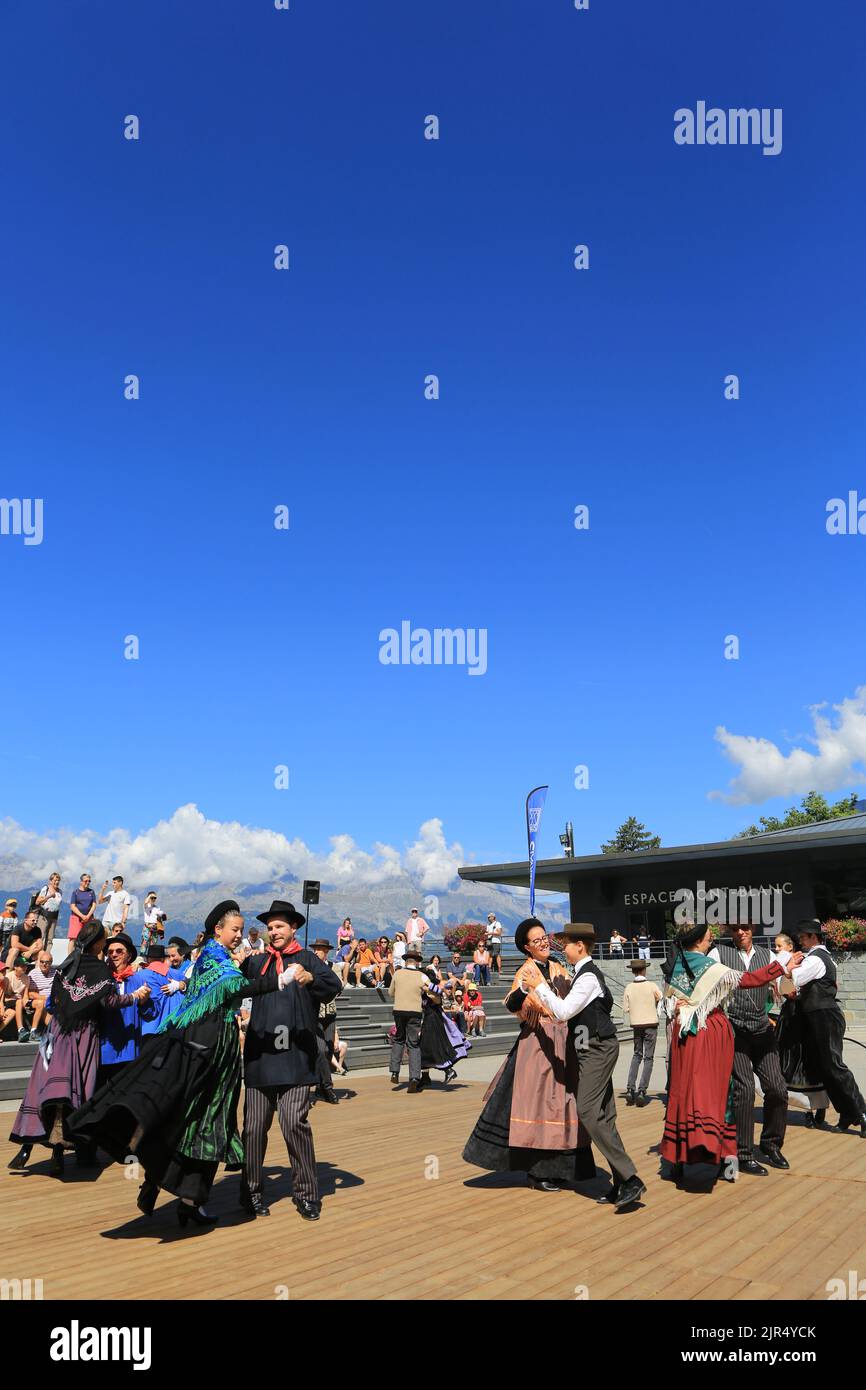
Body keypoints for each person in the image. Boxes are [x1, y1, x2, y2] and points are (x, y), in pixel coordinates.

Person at [68, 900, 293, 1227]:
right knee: (206, 1121)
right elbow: (236, 986)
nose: (239, 936)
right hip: (209, 1047)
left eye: (242, 931)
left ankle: (180, 1194)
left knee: (199, 1119)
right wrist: (282, 979)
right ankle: (181, 1193)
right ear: (218, 929)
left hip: (215, 1047)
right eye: (235, 930)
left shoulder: (216, 957)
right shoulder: (216, 957)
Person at [463, 918, 595, 1192]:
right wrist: (524, 989)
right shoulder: (526, 971)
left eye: (544, 937)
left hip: (563, 1042)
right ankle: (538, 1172)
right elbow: (512, 1003)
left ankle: (563, 1168)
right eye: (536, 940)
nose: (543, 942)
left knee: (563, 1105)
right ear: (526, 947)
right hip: (538, 1044)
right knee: (539, 1105)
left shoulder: (559, 968)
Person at [660, 922, 796, 1187]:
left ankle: (680, 1155)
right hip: (709, 1030)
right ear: (699, 940)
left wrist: (785, 976)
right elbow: (747, 980)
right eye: (710, 936)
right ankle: (726, 1157)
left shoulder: (680, 964)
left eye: (743, 927)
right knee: (721, 1093)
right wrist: (782, 964)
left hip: (686, 1031)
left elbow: (669, 1002)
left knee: (684, 1090)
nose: (714, 938)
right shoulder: (710, 962)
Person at [8, 920, 149, 1174]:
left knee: (43, 1089)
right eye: (106, 943)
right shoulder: (100, 970)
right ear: (98, 943)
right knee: (70, 1095)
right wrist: (134, 997)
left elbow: (53, 1003)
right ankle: (61, 1154)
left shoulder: (67, 965)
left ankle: (27, 1148)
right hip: (81, 1035)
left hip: (55, 1035)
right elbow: (108, 1001)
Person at [521, 923, 645, 1211]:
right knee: (605, 1115)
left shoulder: (588, 977)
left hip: (597, 1049)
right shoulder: (581, 975)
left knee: (587, 1111)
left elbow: (563, 1013)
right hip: (592, 1049)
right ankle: (622, 1182)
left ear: (580, 946)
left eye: (566, 944)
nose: (562, 949)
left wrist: (539, 987)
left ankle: (630, 1178)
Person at [240, 902, 341, 1219]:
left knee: (294, 1124)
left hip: (297, 1059)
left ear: (293, 928)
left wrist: (311, 978)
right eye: (270, 928)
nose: (274, 932)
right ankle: (251, 1192)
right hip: (260, 1057)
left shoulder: (308, 958)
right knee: (254, 1129)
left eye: (279, 926)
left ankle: (307, 1193)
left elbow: (334, 986)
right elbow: (229, 979)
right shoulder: (258, 963)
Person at [709, 922, 790, 1174]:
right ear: (729, 932)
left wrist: (788, 985)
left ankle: (771, 1144)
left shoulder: (768, 955)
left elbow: (781, 987)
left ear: (752, 928)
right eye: (734, 929)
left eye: (744, 927)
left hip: (763, 1029)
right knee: (744, 1090)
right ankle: (743, 1154)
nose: (740, 932)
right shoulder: (718, 954)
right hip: (735, 1031)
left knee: (777, 1087)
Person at [789, 920, 866, 1137]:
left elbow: (796, 976)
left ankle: (861, 1112)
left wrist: (788, 964)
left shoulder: (815, 958)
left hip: (825, 1015)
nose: (800, 940)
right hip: (818, 1016)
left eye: (803, 937)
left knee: (833, 1065)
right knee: (824, 1067)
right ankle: (847, 1112)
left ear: (813, 937)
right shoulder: (822, 957)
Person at [98, 933, 142, 1083]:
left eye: (119, 951)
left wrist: (145, 1002)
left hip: (129, 1047)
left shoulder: (139, 980)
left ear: (129, 956)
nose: (114, 955)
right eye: (110, 952)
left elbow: (151, 1012)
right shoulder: (101, 979)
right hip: (104, 1047)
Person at [388, 945, 429, 1092]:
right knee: (413, 1044)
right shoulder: (422, 976)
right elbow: (430, 990)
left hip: (399, 1011)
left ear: (406, 961)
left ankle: (394, 1071)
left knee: (399, 1039)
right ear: (417, 962)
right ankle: (414, 1078)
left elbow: (390, 993)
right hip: (414, 1012)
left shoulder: (398, 974)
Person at [622, 960, 662, 1107]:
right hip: (651, 1023)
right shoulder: (652, 986)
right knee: (649, 1058)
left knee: (636, 1055)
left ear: (633, 971)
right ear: (644, 970)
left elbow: (626, 1008)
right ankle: (642, 1090)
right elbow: (661, 998)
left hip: (636, 1024)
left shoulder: (629, 987)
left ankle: (629, 1088)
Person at [419, 972, 470, 1086]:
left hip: (434, 1022)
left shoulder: (434, 991)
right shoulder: (424, 993)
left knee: (434, 1048)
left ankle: (448, 1070)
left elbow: (437, 998)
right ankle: (425, 1077)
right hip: (428, 1021)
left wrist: (426, 986)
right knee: (424, 1049)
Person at [310, 938, 341, 1106]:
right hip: (315, 1014)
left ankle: (320, 1088)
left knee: (328, 1052)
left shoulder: (333, 967)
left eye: (319, 949)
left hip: (330, 1014)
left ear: (326, 951)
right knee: (320, 1050)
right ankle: (328, 1087)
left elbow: (338, 987)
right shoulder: (310, 967)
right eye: (315, 949)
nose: (316, 952)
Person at [24, 949, 56, 1040]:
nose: (44, 964)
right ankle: (36, 1031)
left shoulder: (55, 973)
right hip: (40, 1001)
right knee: (42, 1004)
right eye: (41, 962)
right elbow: (30, 994)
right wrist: (46, 998)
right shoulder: (34, 973)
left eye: (46, 962)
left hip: (54, 1000)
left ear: (51, 963)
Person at [68, 874, 97, 952]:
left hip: (89, 918)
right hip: (76, 918)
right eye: (86, 881)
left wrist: (88, 916)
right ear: (81, 882)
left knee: (89, 938)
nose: (87, 882)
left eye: (89, 881)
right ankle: (69, 958)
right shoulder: (75, 892)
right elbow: (72, 906)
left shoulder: (91, 892)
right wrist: (82, 916)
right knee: (73, 938)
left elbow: (94, 904)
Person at [34, 873, 63, 952]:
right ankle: (38, 958)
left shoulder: (60, 891)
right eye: (55, 880)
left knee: (50, 939)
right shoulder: (45, 889)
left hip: (54, 917)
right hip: (44, 916)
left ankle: (46, 958)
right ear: (50, 881)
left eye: (58, 880)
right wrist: (49, 896)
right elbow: (37, 902)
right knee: (41, 937)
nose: (57, 882)